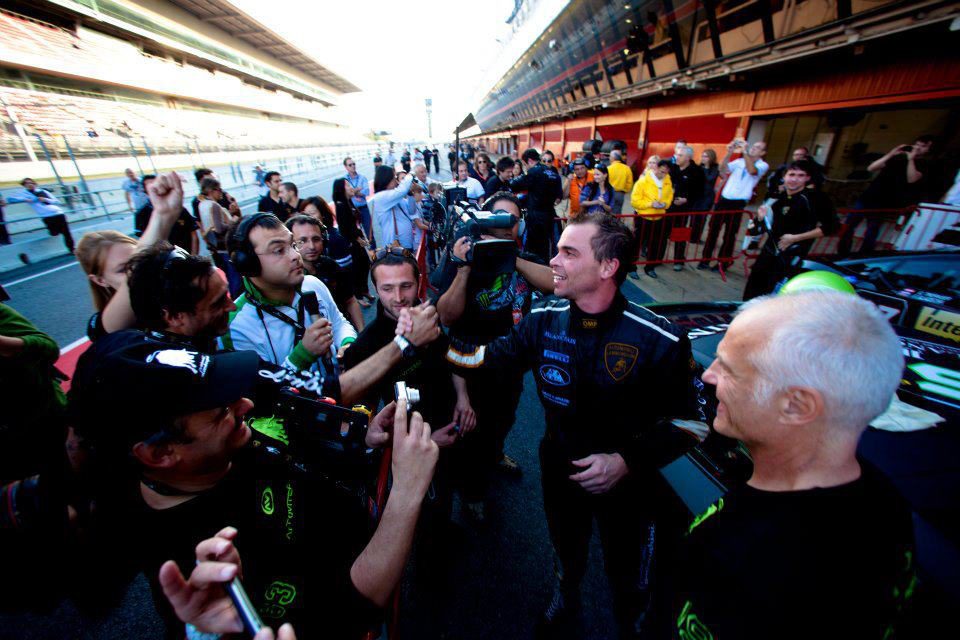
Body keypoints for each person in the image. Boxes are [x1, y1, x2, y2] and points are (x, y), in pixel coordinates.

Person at [70, 330, 438, 639]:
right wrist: (407, 491)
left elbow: (293, 456)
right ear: (161, 453)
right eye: (221, 413)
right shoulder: (205, 569)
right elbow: (355, 606)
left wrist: (365, 438)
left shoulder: (215, 453)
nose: (244, 405)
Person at [442, 214, 702, 638]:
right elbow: (481, 360)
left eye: (568, 252)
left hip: (635, 484)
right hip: (559, 464)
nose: (553, 261)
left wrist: (627, 461)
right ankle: (566, 590)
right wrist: (428, 336)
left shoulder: (661, 339)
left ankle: (634, 619)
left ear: (607, 266)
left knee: (629, 567)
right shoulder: (542, 321)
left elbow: (695, 424)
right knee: (566, 541)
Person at [676, 291, 914, 639]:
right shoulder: (881, 494)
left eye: (728, 369)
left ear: (796, 405)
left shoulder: (773, 565)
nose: (709, 376)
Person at [434, 191, 555, 520]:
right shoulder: (464, 258)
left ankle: (497, 452)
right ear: (482, 222)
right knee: (471, 431)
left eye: (513, 220)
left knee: (504, 418)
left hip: (512, 365)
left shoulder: (525, 257)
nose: (506, 225)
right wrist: (462, 268)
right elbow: (446, 318)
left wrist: (508, 255)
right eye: (498, 218)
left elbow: (555, 284)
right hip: (472, 365)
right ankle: (473, 489)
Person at [742, 162, 838, 300]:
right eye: (791, 174)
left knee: (776, 294)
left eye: (800, 175)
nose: (794, 179)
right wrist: (761, 217)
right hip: (769, 251)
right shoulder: (777, 197)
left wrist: (795, 238)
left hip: (792, 254)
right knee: (753, 290)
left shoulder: (815, 198)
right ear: (784, 177)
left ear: (807, 178)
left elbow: (832, 227)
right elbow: (759, 228)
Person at [837, 135, 936, 256]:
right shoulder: (898, 158)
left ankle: (863, 256)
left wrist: (911, 159)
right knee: (848, 226)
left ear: (928, 149)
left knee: (871, 230)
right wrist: (891, 153)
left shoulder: (924, 164)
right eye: (917, 144)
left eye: (923, 146)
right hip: (868, 196)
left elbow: (912, 179)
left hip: (884, 201)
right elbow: (871, 168)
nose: (918, 148)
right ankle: (842, 253)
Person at [699, 139, 768, 271]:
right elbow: (722, 169)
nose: (753, 148)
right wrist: (729, 152)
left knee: (730, 234)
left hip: (738, 203)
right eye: (753, 146)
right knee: (713, 230)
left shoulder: (762, 165)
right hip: (724, 200)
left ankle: (723, 262)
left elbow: (752, 171)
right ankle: (705, 259)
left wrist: (745, 152)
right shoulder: (739, 162)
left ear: (763, 152)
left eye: (758, 147)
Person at [287, 214, 364, 330]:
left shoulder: (330, 265)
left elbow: (350, 301)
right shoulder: (287, 278)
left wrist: (361, 333)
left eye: (316, 239)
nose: (312, 246)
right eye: (302, 241)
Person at [509, 149, 563, 261]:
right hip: (549, 215)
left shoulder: (534, 172)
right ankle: (544, 267)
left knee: (533, 248)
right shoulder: (554, 174)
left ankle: (534, 271)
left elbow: (515, 185)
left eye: (524, 165)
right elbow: (559, 196)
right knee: (546, 246)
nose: (525, 168)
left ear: (529, 161)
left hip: (535, 216)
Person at [332, 178, 374, 304]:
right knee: (357, 268)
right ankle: (358, 295)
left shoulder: (349, 202)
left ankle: (364, 290)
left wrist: (362, 237)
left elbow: (356, 223)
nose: (351, 187)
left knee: (365, 264)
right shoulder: (340, 205)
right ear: (341, 189)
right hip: (352, 243)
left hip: (358, 239)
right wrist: (357, 239)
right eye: (348, 185)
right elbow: (345, 227)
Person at [631, 159, 675, 279]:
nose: (663, 174)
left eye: (666, 172)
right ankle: (631, 267)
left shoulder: (668, 181)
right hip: (644, 217)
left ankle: (650, 267)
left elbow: (669, 196)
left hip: (659, 217)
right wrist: (650, 204)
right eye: (661, 171)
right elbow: (635, 201)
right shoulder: (643, 181)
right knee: (637, 243)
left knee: (655, 244)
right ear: (655, 168)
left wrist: (665, 204)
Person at [134, 175, 199, 254]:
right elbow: (144, 245)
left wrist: (193, 257)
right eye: (149, 186)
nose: (154, 188)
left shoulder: (178, 208)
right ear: (145, 191)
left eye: (156, 184)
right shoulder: (141, 214)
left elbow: (193, 234)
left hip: (187, 255)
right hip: (164, 261)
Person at [5, 178, 74, 253]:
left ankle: (72, 249)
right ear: (24, 185)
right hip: (46, 216)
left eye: (31, 183)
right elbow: (10, 199)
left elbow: (57, 201)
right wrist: (24, 199)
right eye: (27, 183)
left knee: (66, 232)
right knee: (54, 232)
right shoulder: (24, 194)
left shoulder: (43, 191)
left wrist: (46, 199)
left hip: (58, 213)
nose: (30, 184)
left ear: (35, 184)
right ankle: (55, 231)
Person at [76, 230, 138, 312]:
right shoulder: (113, 323)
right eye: (123, 269)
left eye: (139, 260)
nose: (138, 269)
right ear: (101, 281)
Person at [666, 146, 706, 271]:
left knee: (680, 234)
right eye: (676, 154)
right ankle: (655, 257)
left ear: (688, 157)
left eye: (680, 155)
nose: (676, 157)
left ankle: (679, 260)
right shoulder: (673, 168)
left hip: (683, 209)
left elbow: (700, 191)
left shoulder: (697, 171)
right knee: (661, 231)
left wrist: (686, 199)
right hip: (667, 206)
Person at [370, 166, 416, 250]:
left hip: (406, 242)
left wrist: (410, 194)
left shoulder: (395, 196)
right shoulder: (380, 197)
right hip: (395, 245)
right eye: (394, 177)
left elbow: (411, 211)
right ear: (387, 179)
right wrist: (410, 175)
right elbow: (402, 190)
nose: (396, 180)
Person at [196, 178, 233, 257]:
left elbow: (209, 223)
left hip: (214, 247)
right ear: (210, 191)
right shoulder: (214, 205)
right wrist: (233, 223)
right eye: (219, 189)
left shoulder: (202, 204)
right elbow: (219, 228)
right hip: (224, 247)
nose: (221, 192)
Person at [343, 157, 374, 249]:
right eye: (350, 165)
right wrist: (358, 190)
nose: (353, 166)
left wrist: (352, 191)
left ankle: (374, 252)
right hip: (351, 210)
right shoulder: (344, 179)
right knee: (355, 234)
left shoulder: (362, 178)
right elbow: (344, 194)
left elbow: (366, 192)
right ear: (346, 167)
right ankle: (364, 254)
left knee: (369, 232)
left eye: (354, 164)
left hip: (363, 208)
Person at [691, 149, 719, 242]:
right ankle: (691, 236)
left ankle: (697, 237)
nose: (703, 158)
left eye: (706, 156)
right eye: (702, 156)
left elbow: (709, 178)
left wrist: (706, 167)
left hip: (707, 198)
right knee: (693, 218)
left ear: (711, 158)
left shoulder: (714, 168)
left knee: (702, 218)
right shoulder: (698, 167)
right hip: (697, 196)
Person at [606, 150, 634, 216]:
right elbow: (629, 184)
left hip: (609, 193)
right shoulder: (627, 169)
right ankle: (616, 225)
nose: (609, 158)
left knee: (607, 212)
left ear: (613, 158)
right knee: (617, 213)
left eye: (610, 156)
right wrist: (624, 191)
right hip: (620, 194)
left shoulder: (608, 169)